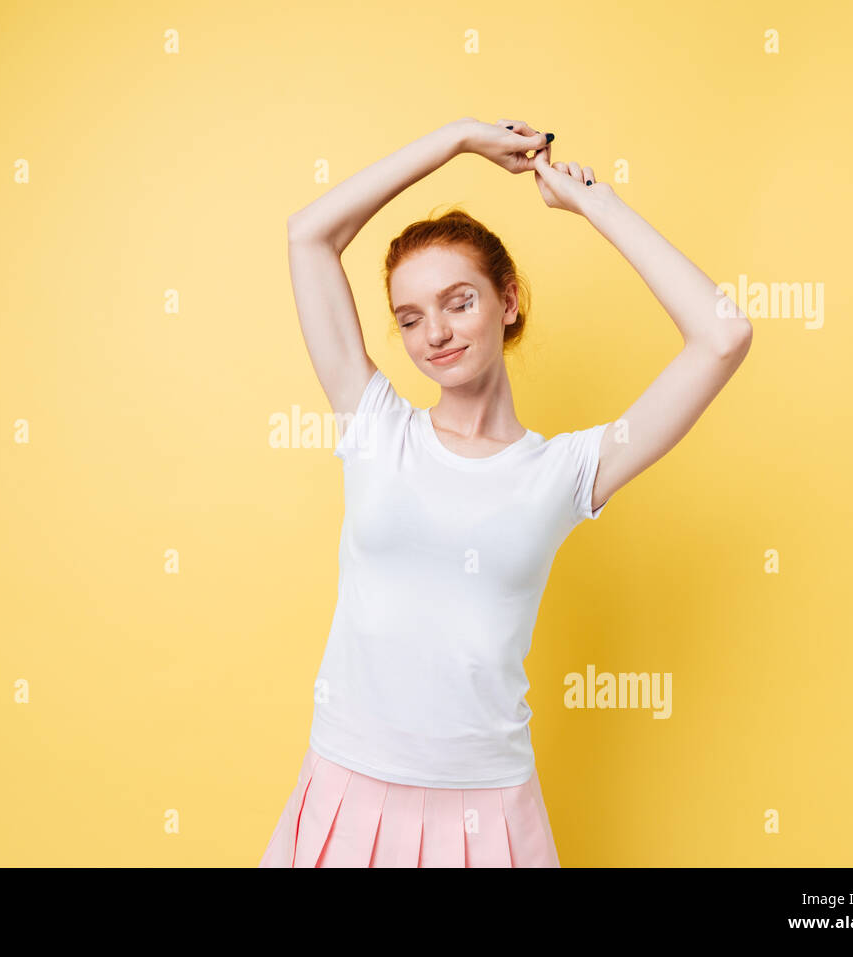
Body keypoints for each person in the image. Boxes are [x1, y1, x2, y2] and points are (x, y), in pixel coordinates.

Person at [260, 116, 753, 867]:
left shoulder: (563, 471)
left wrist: (595, 202)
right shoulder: (375, 427)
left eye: (459, 301)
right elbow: (308, 235)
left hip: (486, 815)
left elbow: (723, 334)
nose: (436, 334)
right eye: (410, 317)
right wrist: (455, 139)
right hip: (346, 790)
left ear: (509, 301)